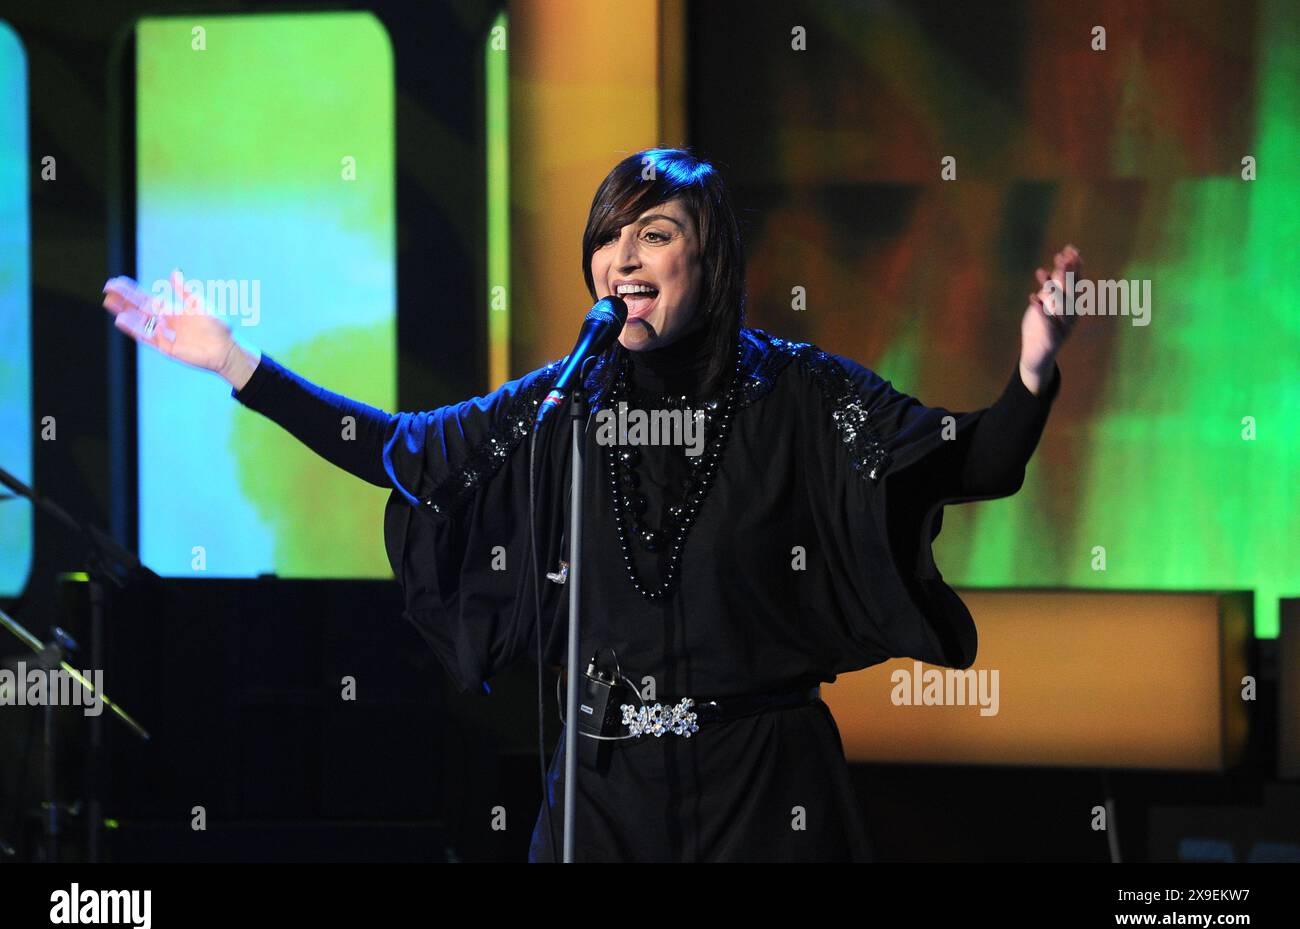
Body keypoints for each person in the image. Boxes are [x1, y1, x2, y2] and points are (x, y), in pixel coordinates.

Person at [103, 147, 1078, 862]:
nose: (625, 256)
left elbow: (971, 462)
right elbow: (406, 452)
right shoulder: (564, 400)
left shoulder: (798, 394)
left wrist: (1032, 371)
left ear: (708, 259)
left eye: (654, 233)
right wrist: (238, 364)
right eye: (609, 236)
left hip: (761, 787)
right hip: (605, 786)